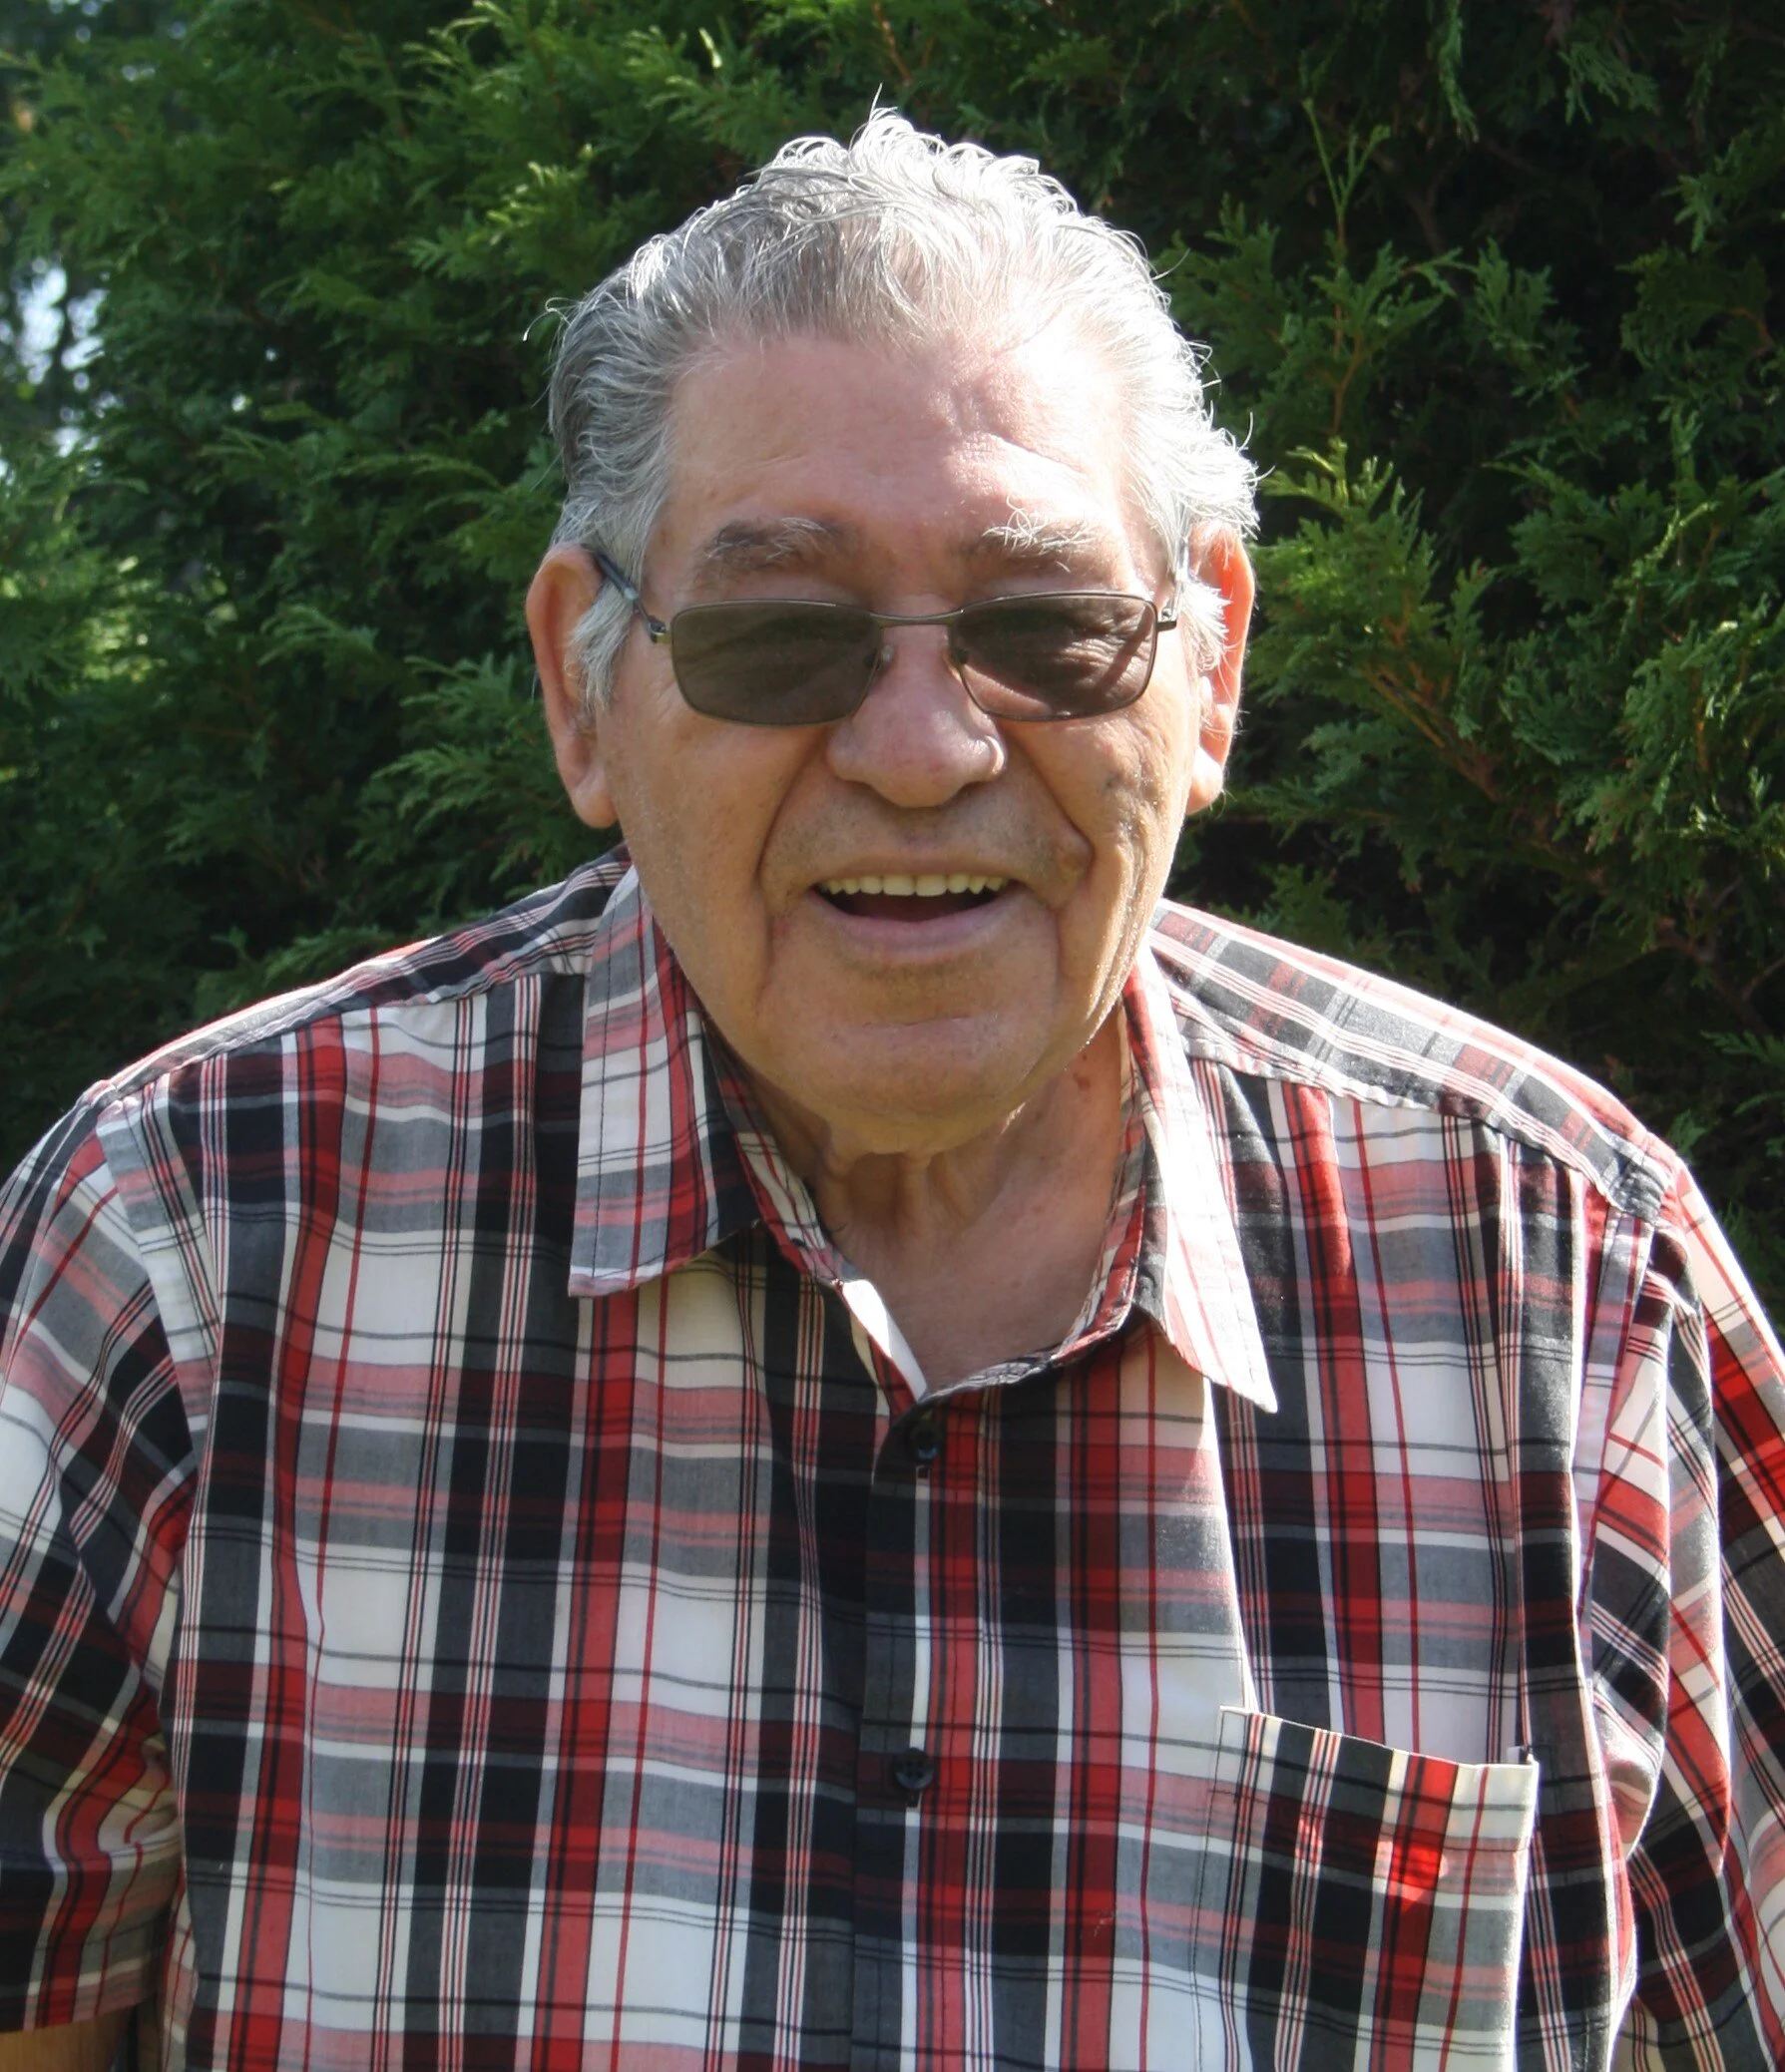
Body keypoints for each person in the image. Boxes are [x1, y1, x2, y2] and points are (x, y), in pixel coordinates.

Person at [1, 112, 1781, 2072]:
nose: (927, 748)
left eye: (1042, 627)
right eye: (783, 636)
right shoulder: (191, 1257)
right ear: (582, 692)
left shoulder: (1571, 1287)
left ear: (1207, 673)